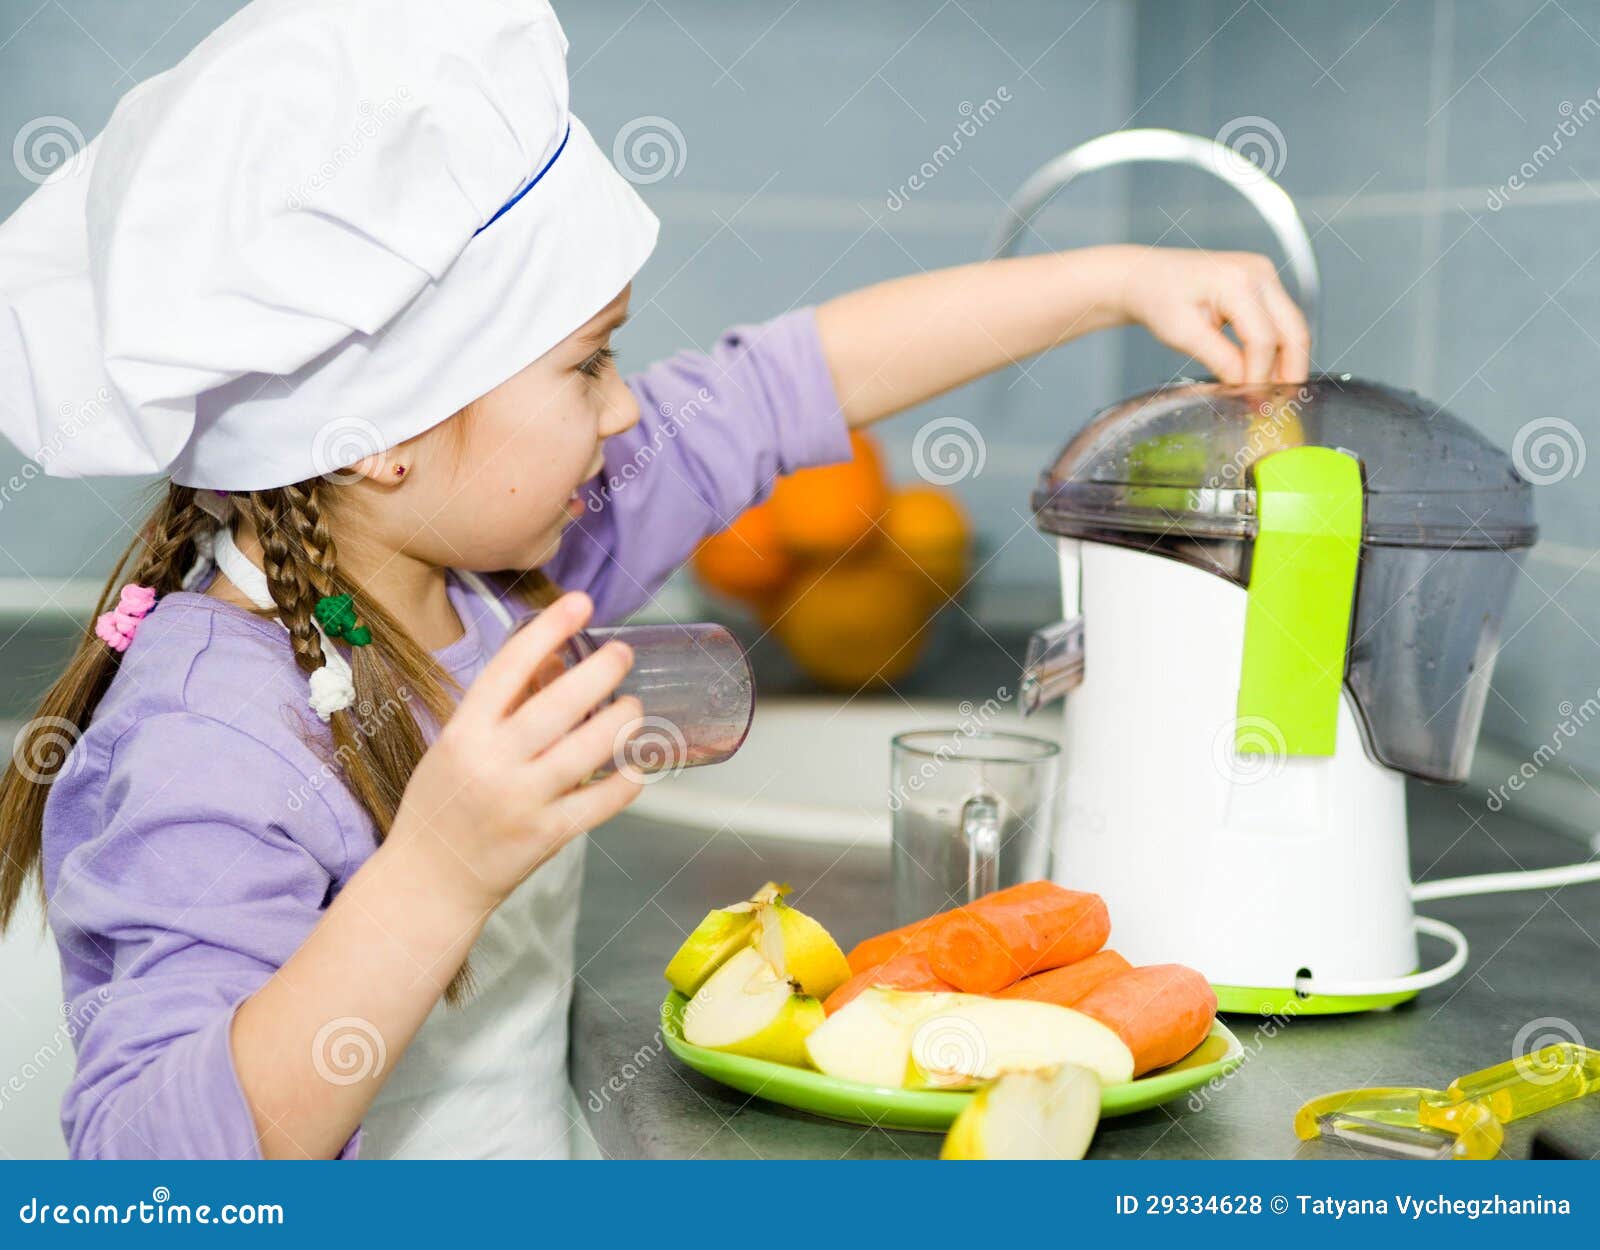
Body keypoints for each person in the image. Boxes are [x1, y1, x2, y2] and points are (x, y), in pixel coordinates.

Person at [0, 0, 1308, 1159]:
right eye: (588, 364)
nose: (628, 411)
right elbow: (150, 1180)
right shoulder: (207, 738)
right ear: (384, 433)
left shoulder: (512, 566)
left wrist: (1111, 282)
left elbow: (786, 384)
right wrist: (439, 869)